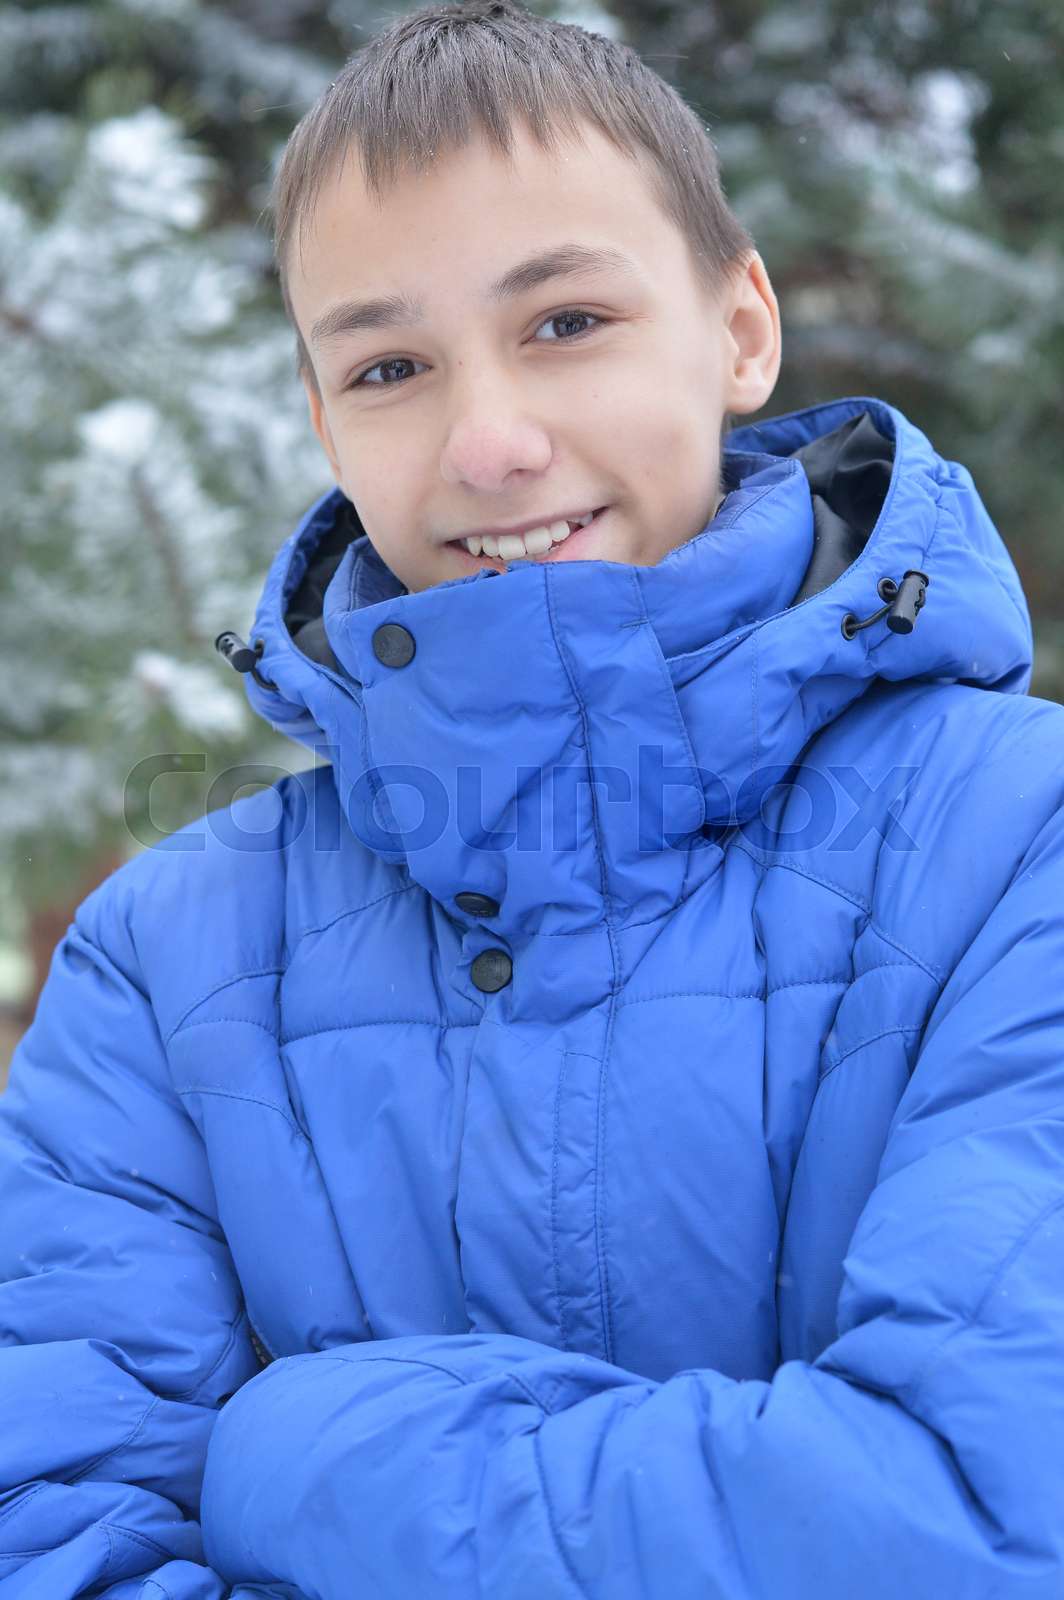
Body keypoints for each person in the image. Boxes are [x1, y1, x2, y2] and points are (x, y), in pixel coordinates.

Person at [2, 0, 1062, 1594]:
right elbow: (52, 1530)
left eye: (566, 321)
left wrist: (304, 1456)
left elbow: (987, 1513)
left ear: (740, 326)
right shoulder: (167, 963)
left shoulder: (1022, 847)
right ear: (323, 419)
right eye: (389, 363)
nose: (489, 442)